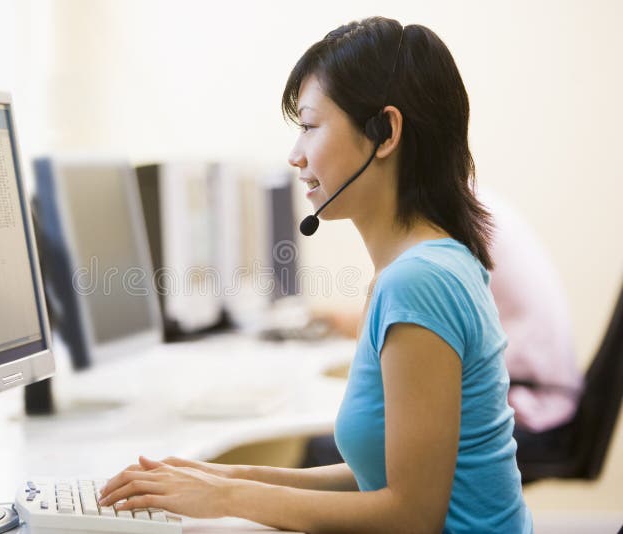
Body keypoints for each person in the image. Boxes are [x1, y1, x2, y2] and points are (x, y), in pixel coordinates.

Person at [99, 17, 532, 533]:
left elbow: (411, 515)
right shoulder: (429, 264)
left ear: (385, 132)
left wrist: (228, 497)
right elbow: (377, 480)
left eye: (309, 126)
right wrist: (221, 479)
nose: (295, 154)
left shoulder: (419, 282)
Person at [306, 187, 584, 468]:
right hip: (542, 395)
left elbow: (417, 320)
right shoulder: (468, 209)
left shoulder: (449, 227)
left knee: (331, 451)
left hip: (528, 406)